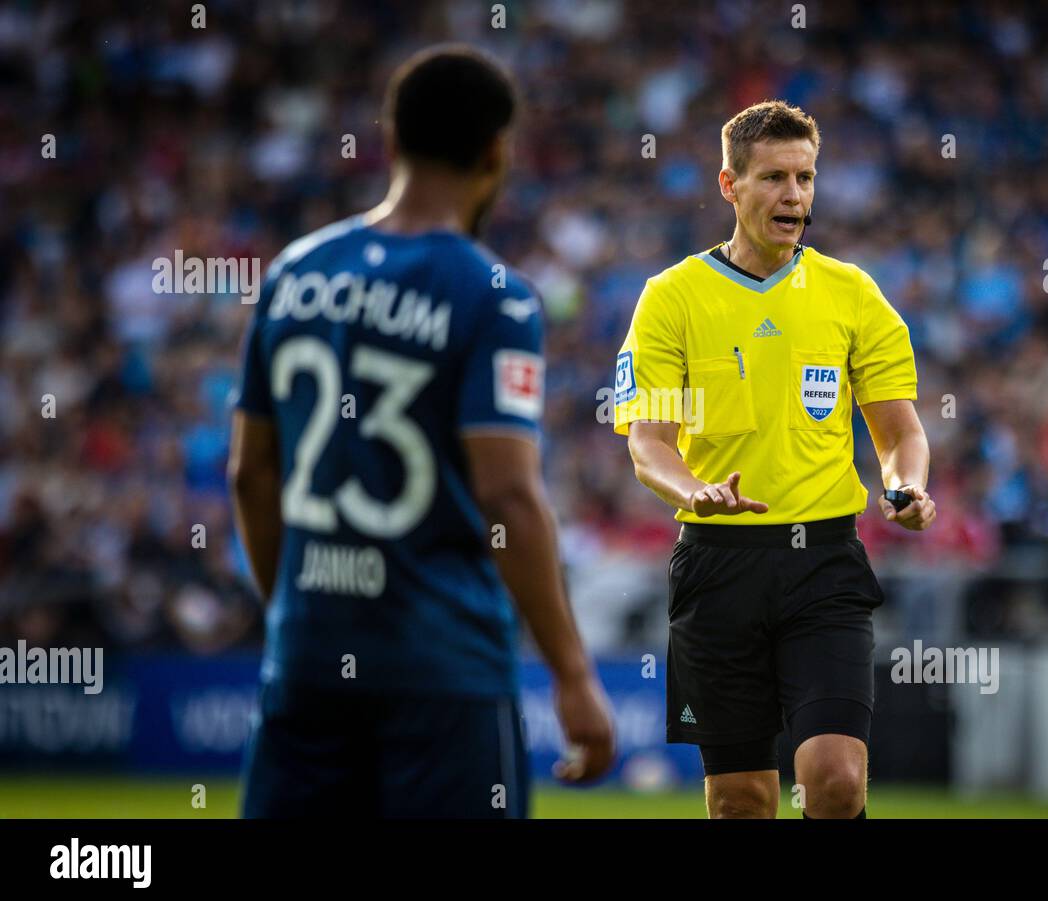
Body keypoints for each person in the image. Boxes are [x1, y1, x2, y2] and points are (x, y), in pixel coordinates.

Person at [228, 44, 614, 818]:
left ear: (391, 138)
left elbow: (249, 474)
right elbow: (507, 495)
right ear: (498, 150)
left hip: (307, 664)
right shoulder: (494, 295)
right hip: (443, 672)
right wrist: (572, 675)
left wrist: (291, 613)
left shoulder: (295, 273)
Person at [614, 100, 935, 819]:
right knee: (739, 801)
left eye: (806, 178)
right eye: (774, 179)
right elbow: (647, 443)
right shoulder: (671, 298)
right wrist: (692, 490)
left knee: (835, 779)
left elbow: (898, 432)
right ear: (730, 186)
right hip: (716, 565)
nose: (794, 196)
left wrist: (904, 486)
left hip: (823, 564)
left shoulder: (851, 293)